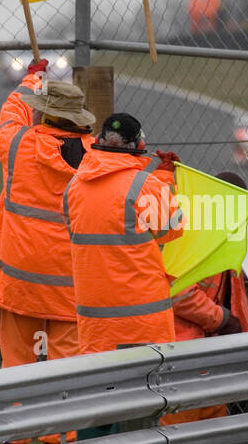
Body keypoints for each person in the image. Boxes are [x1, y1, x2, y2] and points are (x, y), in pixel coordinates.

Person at [0, 60, 95, 444]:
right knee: (65, 373)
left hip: (21, 280)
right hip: (71, 286)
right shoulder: (98, 159)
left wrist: (31, 79)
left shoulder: (20, 144)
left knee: (16, 364)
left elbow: (12, 112)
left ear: (46, 113)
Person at [162, 171, 248, 444]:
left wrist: (241, 328)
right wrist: (223, 320)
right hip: (183, 355)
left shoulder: (221, 236)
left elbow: (228, 298)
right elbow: (176, 291)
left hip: (208, 357)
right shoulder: (192, 236)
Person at [63, 112, 182, 355]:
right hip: (143, 317)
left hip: (94, 320)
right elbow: (171, 230)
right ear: (138, 145)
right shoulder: (145, 185)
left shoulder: (73, 186)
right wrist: (165, 180)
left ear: (99, 140)